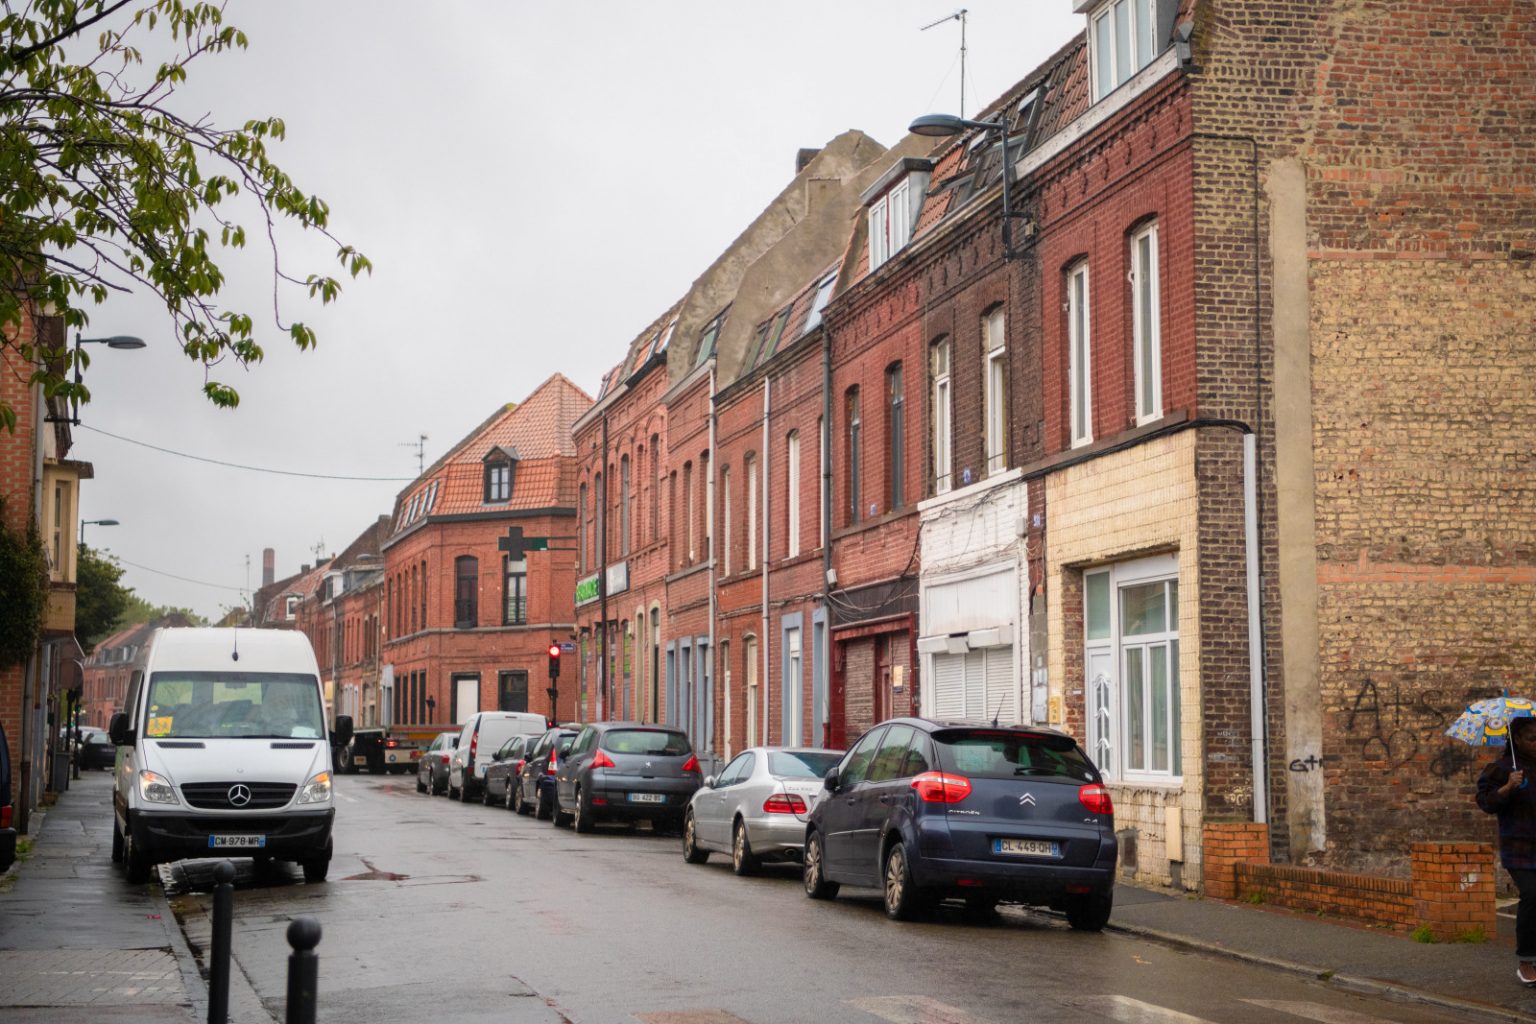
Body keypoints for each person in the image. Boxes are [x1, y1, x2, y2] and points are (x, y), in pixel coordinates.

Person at [1477, 714, 1536, 986]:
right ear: (1517, 740)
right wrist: (1508, 787)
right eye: (1532, 739)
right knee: (1532, 895)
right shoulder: (1501, 769)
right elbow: (1486, 802)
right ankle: (1526, 961)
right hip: (1519, 848)